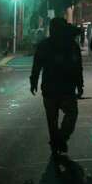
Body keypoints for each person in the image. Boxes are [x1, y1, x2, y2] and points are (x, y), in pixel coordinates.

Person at [30, 17, 85, 156]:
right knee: (71, 114)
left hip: (50, 87)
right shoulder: (72, 46)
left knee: (52, 118)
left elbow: (37, 66)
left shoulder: (45, 45)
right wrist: (80, 85)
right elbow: (78, 67)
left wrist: (34, 81)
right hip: (66, 88)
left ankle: (56, 141)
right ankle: (61, 138)